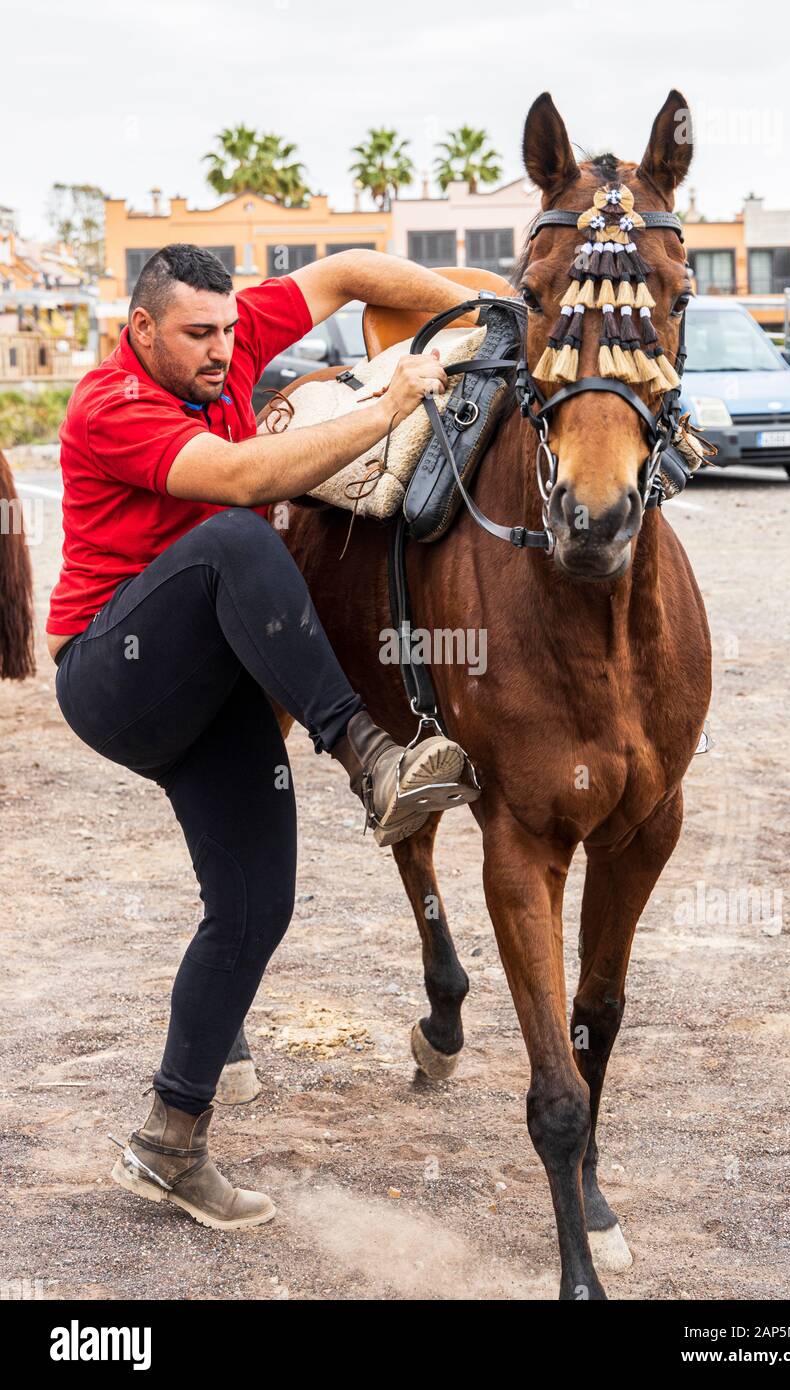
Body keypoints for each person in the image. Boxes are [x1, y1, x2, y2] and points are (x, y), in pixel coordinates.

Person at [47, 243, 481, 1229]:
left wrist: (489, 317)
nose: (220, 349)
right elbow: (239, 475)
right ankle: (368, 758)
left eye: (228, 330)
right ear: (142, 328)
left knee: (254, 906)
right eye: (196, 334)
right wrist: (390, 403)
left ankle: (169, 1140)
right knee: (242, 529)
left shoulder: (226, 347)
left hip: (207, 677)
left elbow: (354, 272)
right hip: (114, 671)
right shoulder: (109, 402)